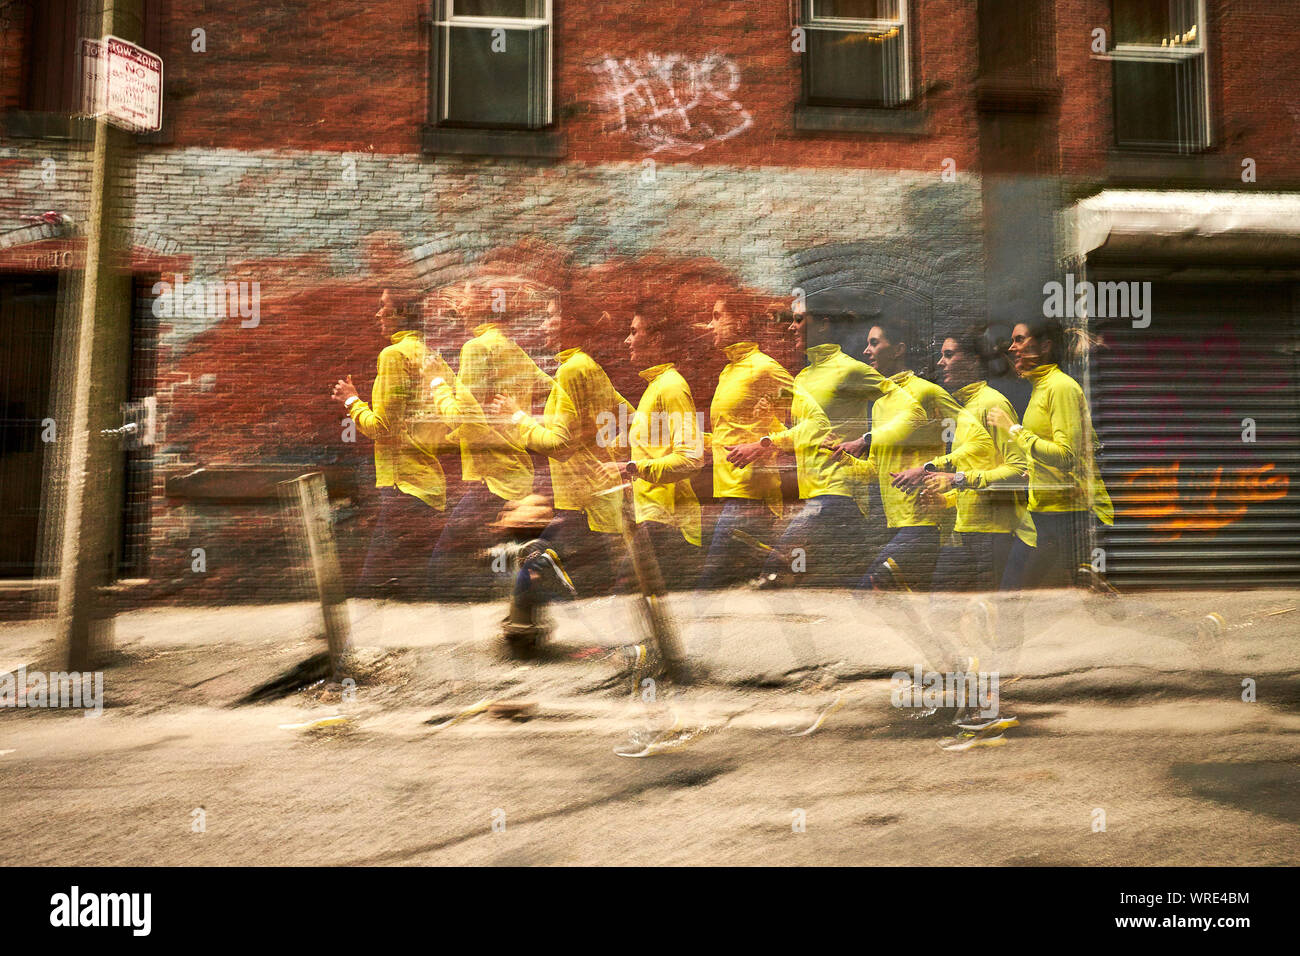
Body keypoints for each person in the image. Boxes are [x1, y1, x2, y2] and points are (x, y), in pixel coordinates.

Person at [831, 317, 995, 594]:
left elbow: (980, 441)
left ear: (898, 349)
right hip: (895, 523)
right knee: (896, 601)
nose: (866, 351)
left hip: (927, 522)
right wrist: (842, 456)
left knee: (866, 591)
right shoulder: (880, 403)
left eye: (874, 343)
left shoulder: (927, 393)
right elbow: (874, 470)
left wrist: (932, 470)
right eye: (866, 344)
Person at [729, 303, 886, 588]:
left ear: (823, 324)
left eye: (799, 320)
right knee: (834, 588)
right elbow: (800, 438)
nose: (791, 327)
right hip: (814, 495)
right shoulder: (801, 378)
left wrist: (867, 440)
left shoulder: (850, 371)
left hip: (839, 493)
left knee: (772, 574)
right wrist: (771, 426)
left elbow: (907, 408)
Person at [489, 299, 632, 597]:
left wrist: (517, 416)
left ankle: (524, 631)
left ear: (571, 324)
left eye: (550, 317)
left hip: (583, 502)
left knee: (545, 579)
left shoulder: (570, 371)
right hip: (601, 499)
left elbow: (560, 444)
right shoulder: (587, 366)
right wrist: (612, 455)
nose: (543, 325)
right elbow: (629, 416)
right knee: (587, 589)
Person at [425, 288, 553, 593]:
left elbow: (465, 419)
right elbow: (552, 389)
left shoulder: (476, 348)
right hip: (517, 474)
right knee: (508, 557)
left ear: (485, 305)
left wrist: (437, 383)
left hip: (491, 478)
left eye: (466, 295)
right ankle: (524, 612)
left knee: (439, 568)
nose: (457, 301)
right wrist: (519, 415)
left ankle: (526, 606)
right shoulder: (511, 348)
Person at [331, 288, 446, 593]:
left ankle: (345, 640)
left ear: (401, 314)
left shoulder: (393, 355)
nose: (377, 314)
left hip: (401, 486)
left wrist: (351, 401)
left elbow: (382, 428)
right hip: (429, 484)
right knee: (413, 582)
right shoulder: (430, 355)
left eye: (383, 307)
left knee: (373, 583)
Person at [986, 317, 1113, 593]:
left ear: (1044, 346)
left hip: (1069, 514)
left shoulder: (1060, 387)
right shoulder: (1041, 388)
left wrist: (1014, 429)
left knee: (1012, 594)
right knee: (1013, 594)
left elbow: (1067, 455)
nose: (1011, 348)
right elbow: (1052, 451)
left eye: (1019, 339)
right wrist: (1032, 468)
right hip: (1048, 511)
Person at [697, 294, 797, 590]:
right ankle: (778, 564)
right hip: (730, 493)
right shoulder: (728, 371)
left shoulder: (763, 369)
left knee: (708, 586)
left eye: (717, 316)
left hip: (751, 497)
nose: (710, 324)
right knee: (726, 587)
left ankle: (781, 563)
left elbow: (810, 425)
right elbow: (733, 433)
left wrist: (764, 445)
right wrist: (698, 442)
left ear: (738, 322)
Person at [922, 328, 1032, 594]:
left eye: (948, 354)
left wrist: (957, 479)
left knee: (994, 617)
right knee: (945, 607)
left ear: (972, 361)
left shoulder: (993, 404)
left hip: (993, 534)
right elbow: (975, 470)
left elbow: (1019, 469)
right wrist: (944, 498)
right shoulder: (964, 409)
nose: (940, 362)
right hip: (964, 529)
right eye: (941, 355)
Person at [607, 302, 705, 584]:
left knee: (623, 598)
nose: (627, 340)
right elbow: (653, 443)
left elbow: (690, 459)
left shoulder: (671, 387)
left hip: (667, 524)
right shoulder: (656, 386)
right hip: (651, 518)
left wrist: (631, 468)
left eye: (633, 332)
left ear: (657, 338)